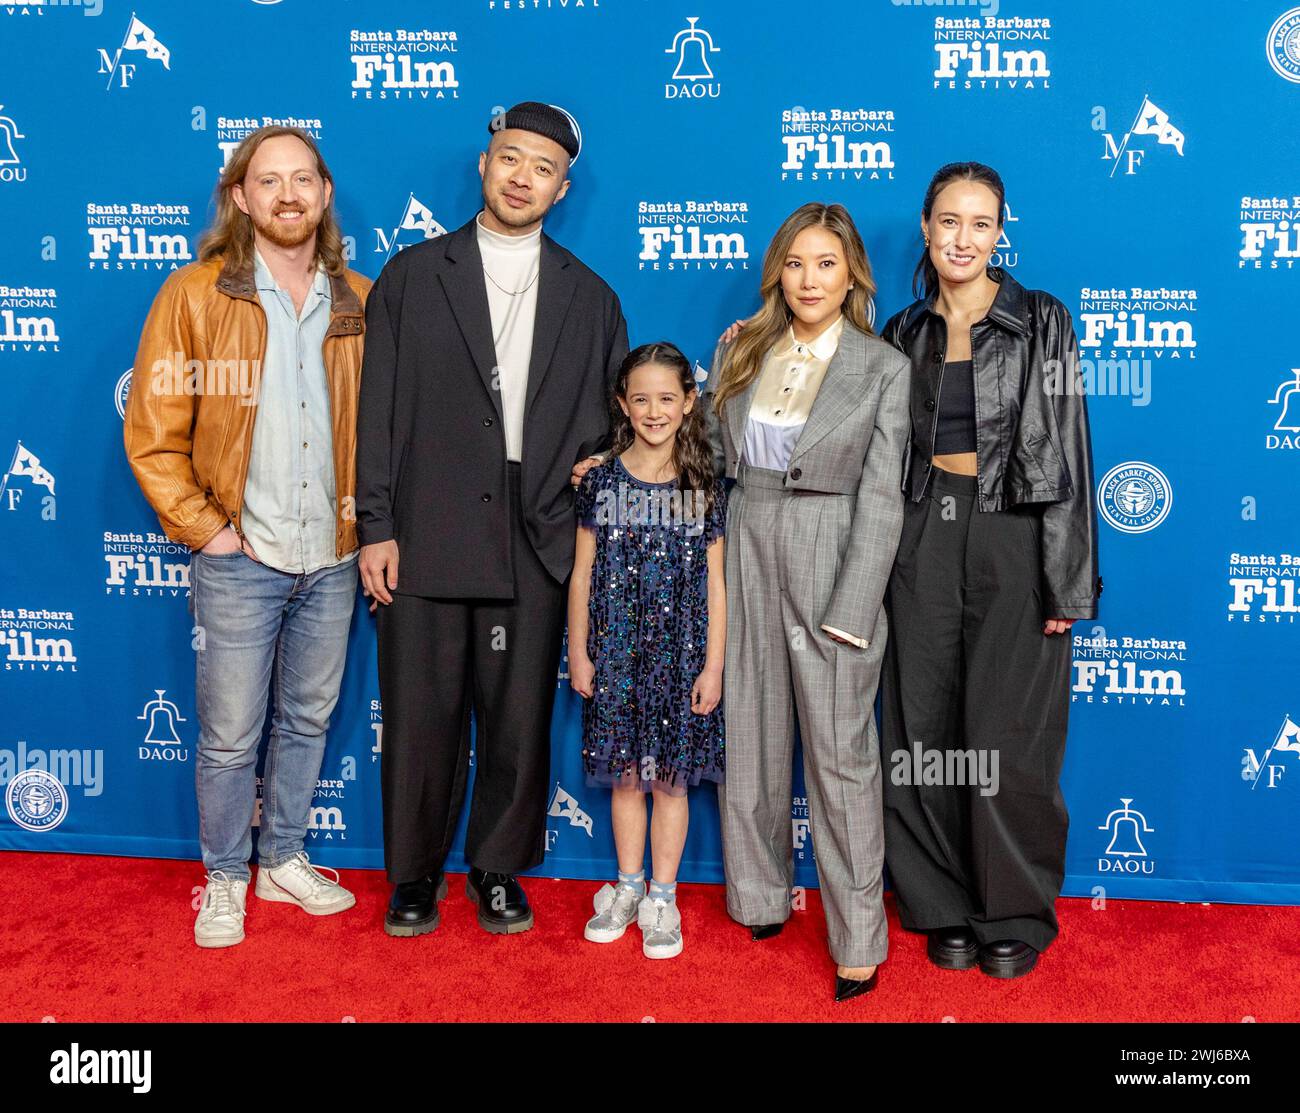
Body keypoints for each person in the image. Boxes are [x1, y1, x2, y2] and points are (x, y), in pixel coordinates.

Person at [356, 102, 629, 938]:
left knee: (517, 714)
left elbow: (612, 424)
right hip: (428, 521)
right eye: (510, 158)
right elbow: (375, 410)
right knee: (419, 711)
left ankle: (499, 868)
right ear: (485, 165)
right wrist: (375, 523)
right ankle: (413, 876)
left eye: (541, 168)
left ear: (562, 187)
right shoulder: (411, 274)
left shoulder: (592, 298)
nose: (522, 177)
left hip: (536, 531)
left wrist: (594, 469)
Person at [123, 127, 371, 948]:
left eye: (304, 179)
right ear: (241, 196)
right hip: (241, 559)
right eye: (270, 181)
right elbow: (153, 431)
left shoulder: (359, 301)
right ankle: (225, 874)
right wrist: (208, 532)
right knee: (230, 734)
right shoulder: (194, 296)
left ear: (326, 194)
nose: (289, 194)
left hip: (333, 558)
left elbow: (391, 429)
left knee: (307, 718)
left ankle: (284, 857)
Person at [878, 161, 1101, 979]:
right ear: (927, 228)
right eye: (948, 221)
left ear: (1001, 231)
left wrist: (1067, 578)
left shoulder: (1043, 319)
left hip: (1014, 531)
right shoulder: (903, 332)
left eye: (980, 222)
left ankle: (1012, 908)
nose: (963, 238)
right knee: (921, 726)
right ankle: (940, 903)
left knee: (1009, 735)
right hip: (922, 531)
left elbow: (1070, 441)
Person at [706, 203, 911, 1002]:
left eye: (825, 263)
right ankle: (759, 897)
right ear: (777, 272)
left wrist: (855, 604)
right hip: (748, 535)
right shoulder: (742, 350)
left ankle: (858, 935)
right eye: (795, 263)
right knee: (750, 734)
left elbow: (885, 498)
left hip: (833, 549)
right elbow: (712, 457)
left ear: (852, 272)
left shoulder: (883, 367)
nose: (809, 279)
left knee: (840, 757)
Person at [568, 343, 727, 960]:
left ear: (689, 403)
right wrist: (579, 653)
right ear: (622, 404)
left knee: (671, 784)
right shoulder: (600, 480)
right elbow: (582, 574)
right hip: (615, 655)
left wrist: (713, 665)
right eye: (641, 399)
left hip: (682, 660)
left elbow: (717, 584)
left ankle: (664, 895)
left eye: (667, 399)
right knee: (627, 779)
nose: (654, 411)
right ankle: (629, 886)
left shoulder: (704, 483)